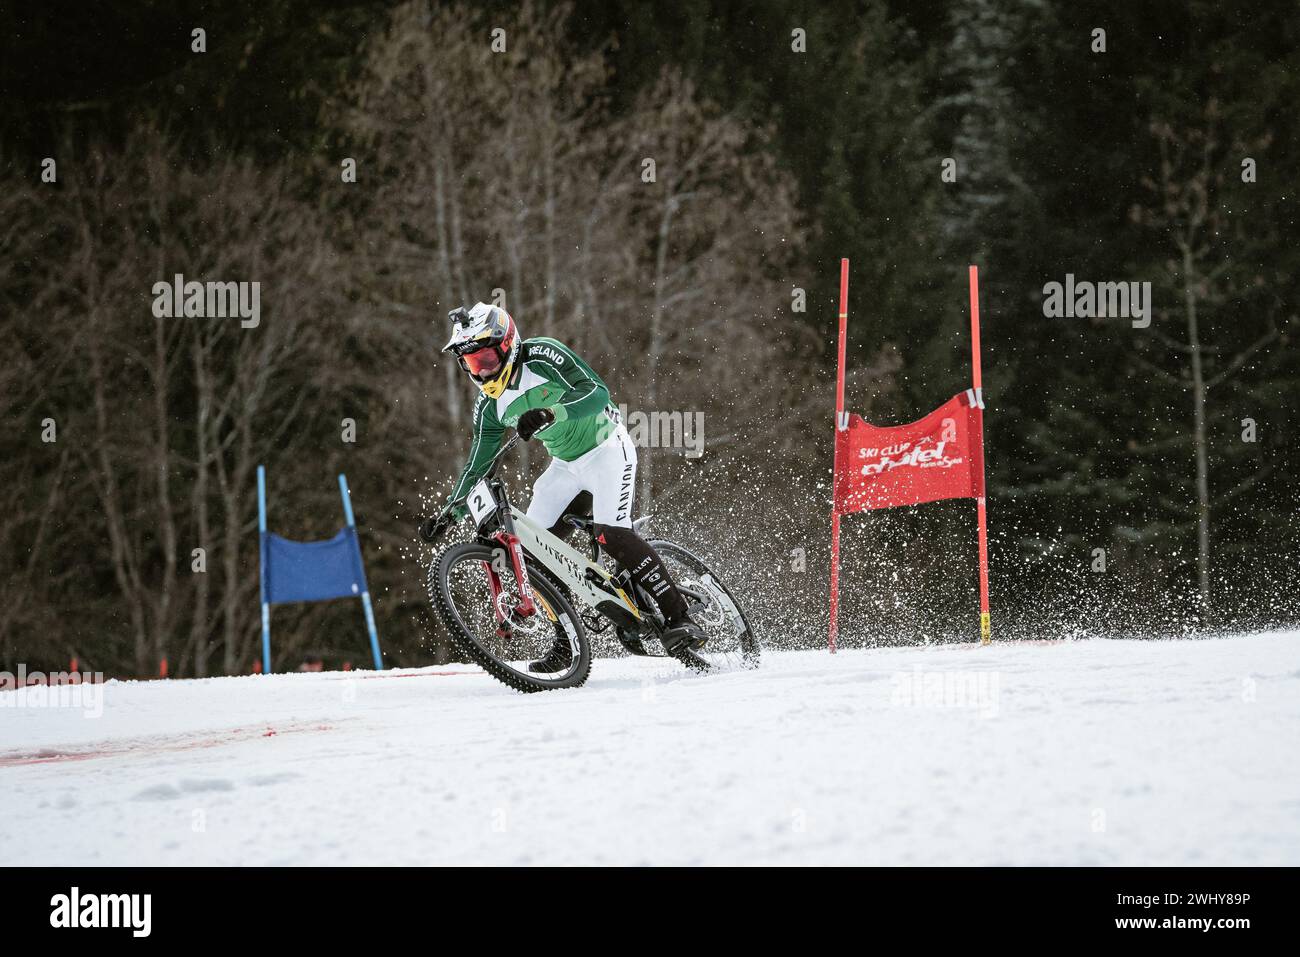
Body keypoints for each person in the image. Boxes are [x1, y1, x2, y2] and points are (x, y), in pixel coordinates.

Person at [439, 302, 704, 671]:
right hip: (565, 467)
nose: (482, 372)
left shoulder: (543, 355)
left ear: (507, 345)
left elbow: (597, 394)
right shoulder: (489, 406)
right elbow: (477, 465)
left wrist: (552, 412)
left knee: (611, 533)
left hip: (607, 448)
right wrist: (450, 511)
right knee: (531, 553)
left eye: (485, 359)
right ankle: (566, 644)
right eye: (472, 364)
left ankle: (680, 616)